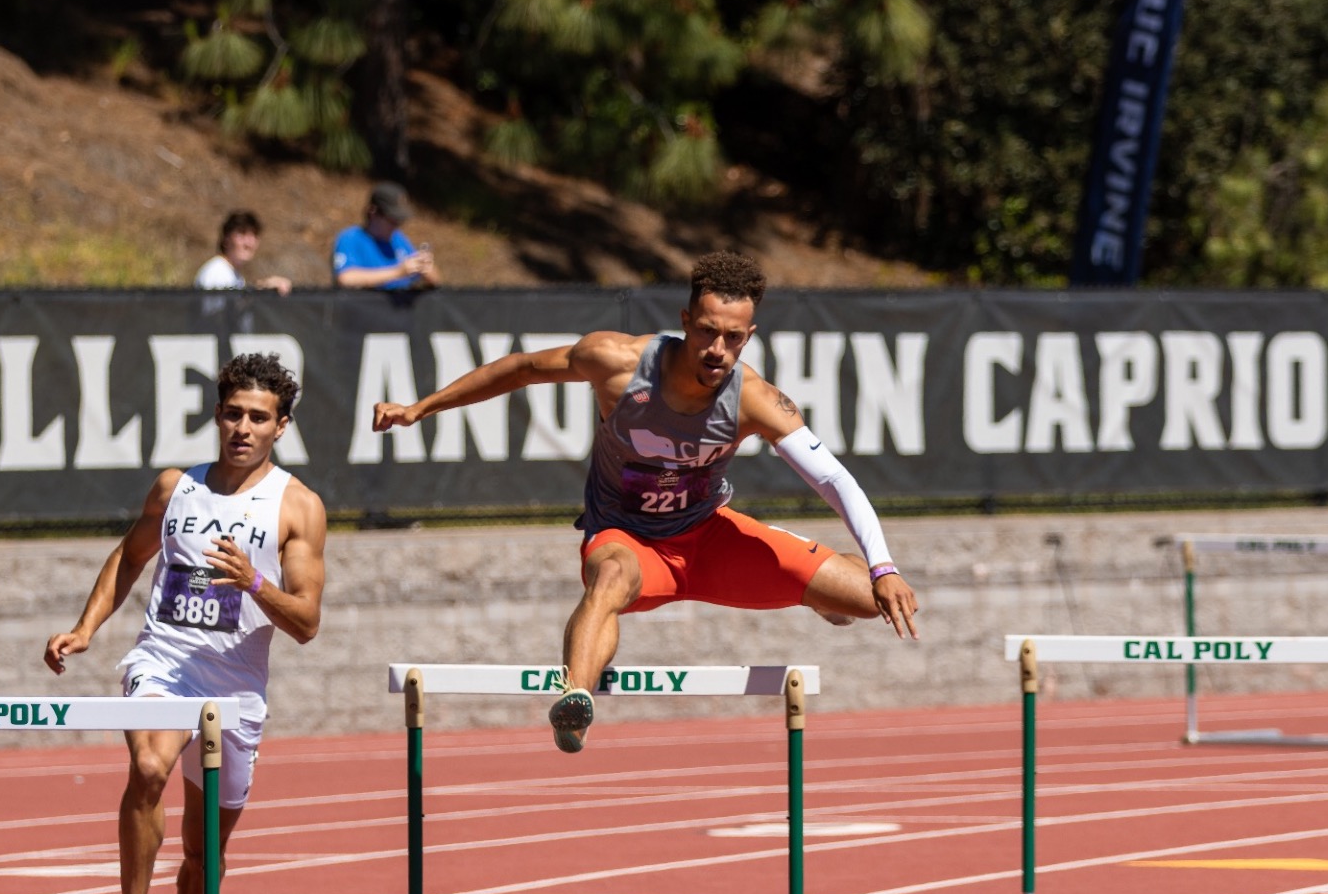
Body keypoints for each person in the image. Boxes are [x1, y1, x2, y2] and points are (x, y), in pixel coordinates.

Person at [372, 251, 918, 753]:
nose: (716, 350)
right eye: (706, 331)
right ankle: (575, 705)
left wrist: (884, 566)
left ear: (749, 337)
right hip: (626, 540)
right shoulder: (617, 362)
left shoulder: (756, 399)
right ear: (685, 321)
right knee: (609, 580)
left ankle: (822, 590)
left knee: (870, 599)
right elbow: (521, 368)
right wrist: (421, 408)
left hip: (709, 538)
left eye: (732, 338)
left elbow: (833, 479)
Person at [44, 353, 326, 894]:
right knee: (148, 766)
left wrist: (254, 583)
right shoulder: (176, 488)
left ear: (281, 426)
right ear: (217, 415)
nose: (243, 428)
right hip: (164, 662)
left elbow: (307, 622)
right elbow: (130, 554)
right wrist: (85, 628)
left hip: (236, 690)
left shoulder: (298, 506)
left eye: (258, 418)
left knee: (205, 859)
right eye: (233, 414)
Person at [332, 181, 441, 290]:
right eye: (392, 220)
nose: (397, 226)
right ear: (373, 212)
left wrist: (424, 267)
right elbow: (346, 278)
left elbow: (436, 280)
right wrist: (398, 272)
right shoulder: (351, 238)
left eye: (400, 221)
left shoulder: (397, 239)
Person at [195, 210, 292, 294]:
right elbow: (219, 309)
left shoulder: (235, 276)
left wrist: (266, 286)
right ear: (226, 239)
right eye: (242, 233)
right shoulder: (217, 272)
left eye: (254, 235)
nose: (248, 244)